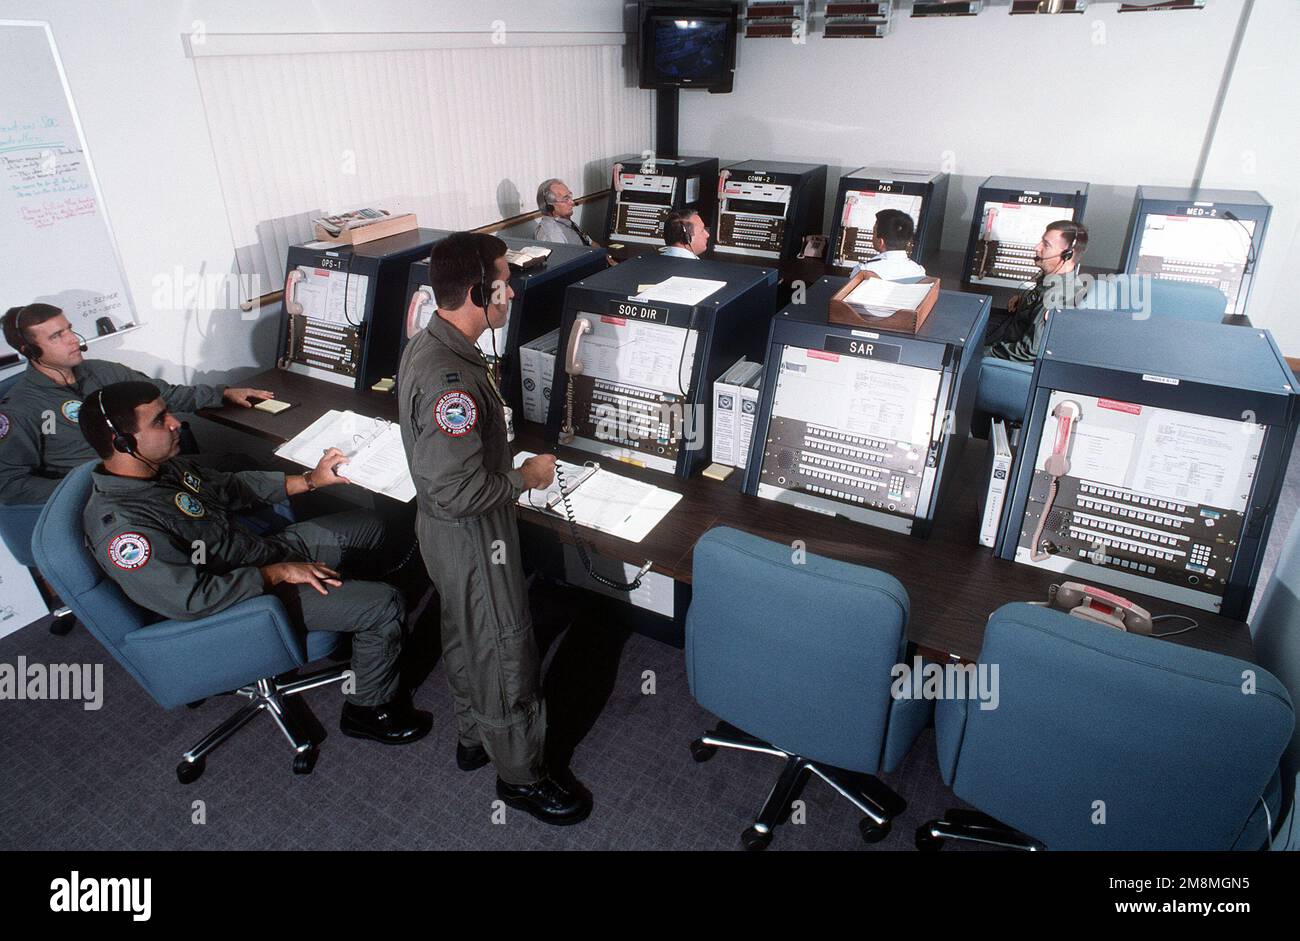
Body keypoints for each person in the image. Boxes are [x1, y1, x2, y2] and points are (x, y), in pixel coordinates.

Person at [79, 380, 431, 744]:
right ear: (123, 443)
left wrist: (311, 480)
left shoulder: (160, 471)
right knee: (385, 605)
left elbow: (232, 488)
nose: (175, 423)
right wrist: (277, 573)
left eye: (167, 412)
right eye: (159, 420)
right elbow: (193, 600)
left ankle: (356, 627)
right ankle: (367, 709)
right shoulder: (124, 530)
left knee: (373, 527)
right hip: (246, 599)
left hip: (260, 553)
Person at [398, 231, 593, 825]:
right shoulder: (451, 382)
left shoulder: (431, 342)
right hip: (473, 533)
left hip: (441, 533)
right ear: (479, 292)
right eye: (505, 282)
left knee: (465, 634)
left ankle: (474, 737)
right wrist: (525, 477)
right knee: (506, 648)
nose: (512, 293)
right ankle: (521, 778)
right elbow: (456, 490)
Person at [0, 302, 272, 505]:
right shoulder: (20, 408)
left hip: (156, 469)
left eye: (69, 329)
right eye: (56, 336)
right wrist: (85, 491)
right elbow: (9, 484)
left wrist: (222, 394)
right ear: (29, 350)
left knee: (239, 463)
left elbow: (165, 395)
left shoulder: (103, 372)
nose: (72, 339)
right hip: (112, 496)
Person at [984, 220, 1091, 364]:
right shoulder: (1056, 282)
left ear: (1067, 255)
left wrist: (981, 353)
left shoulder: (1056, 298)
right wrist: (1024, 300)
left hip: (1004, 355)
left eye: (1046, 245)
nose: (1037, 247)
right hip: (1005, 336)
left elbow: (1028, 352)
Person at [851, 209, 926, 281]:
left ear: (881, 242)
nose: (872, 236)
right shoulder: (919, 272)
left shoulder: (863, 270)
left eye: (874, 232)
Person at [533, 178, 598, 247]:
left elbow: (589, 241)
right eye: (565, 199)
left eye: (570, 197)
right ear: (549, 207)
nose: (572, 202)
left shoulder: (566, 222)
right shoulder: (552, 236)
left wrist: (603, 252)